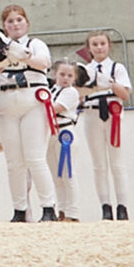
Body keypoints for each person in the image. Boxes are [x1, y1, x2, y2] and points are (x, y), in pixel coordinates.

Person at [0, 4, 55, 223]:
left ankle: (48, 207)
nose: (15, 24)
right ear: (4, 26)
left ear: (26, 23)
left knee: (35, 157)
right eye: (10, 21)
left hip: (32, 99)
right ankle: (19, 209)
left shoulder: (35, 44)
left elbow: (43, 62)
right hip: (4, 101)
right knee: (13, 161)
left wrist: (22, 56)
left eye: (19, 20)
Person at [79, 32, 133, 220]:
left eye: (102, 43)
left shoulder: (117, 68)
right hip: (92, 112)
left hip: (113, 112)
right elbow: (79, 95)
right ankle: (105, 207)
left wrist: (108, 82)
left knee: (117, 162)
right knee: (99, 163)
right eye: (95, 44)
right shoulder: (84, 69)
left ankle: (122, 206)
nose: (99, 47)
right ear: (89, 48)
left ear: (109, 45)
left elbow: (124, 94)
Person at [46, 61, 86, 220]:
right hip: (51, 133)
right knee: (56, 176)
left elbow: (54, 108)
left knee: (67, 173)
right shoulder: (51, 90)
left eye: (70, 75)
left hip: (65, 134)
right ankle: (61, 210)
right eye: (62, 74)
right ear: (55, 74)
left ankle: (73, 212)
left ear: (74, 78)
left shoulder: (71, 93)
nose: (65, 78)